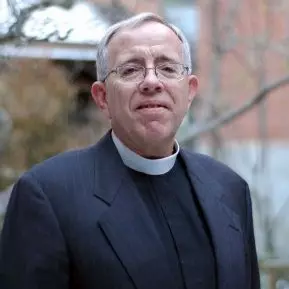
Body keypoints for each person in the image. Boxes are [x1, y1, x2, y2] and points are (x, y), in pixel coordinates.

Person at [0, 12, 260, 289]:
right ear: (102, 97)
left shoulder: (230, 190)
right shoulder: (48, 195)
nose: (151, 82)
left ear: (190, 91)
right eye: (130, 69)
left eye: (168, 68)